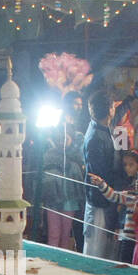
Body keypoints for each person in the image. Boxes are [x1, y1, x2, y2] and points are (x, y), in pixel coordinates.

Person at [40, 90, 86, 249]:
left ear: (72, 139)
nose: (62, 140)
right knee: (53, 234)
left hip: (70, 200)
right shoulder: (49, 155)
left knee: (66, 234)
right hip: (53, 199)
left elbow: (80, 176)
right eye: (59, 137)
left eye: (66, 138)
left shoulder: (76, 157)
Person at [82, 91, 122, 260]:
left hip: (106, 195)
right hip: (101, 198)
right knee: (96, 247)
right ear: (110, 109)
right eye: (113, 106)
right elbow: (100, 171)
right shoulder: (96, 137)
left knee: (105, 246)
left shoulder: (101, 128)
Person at [90, 152, 138, 263]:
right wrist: (101, 184)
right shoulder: (130, 194)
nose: (127, 168)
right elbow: (113, 195)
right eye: (125, 165)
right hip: (128, 238)